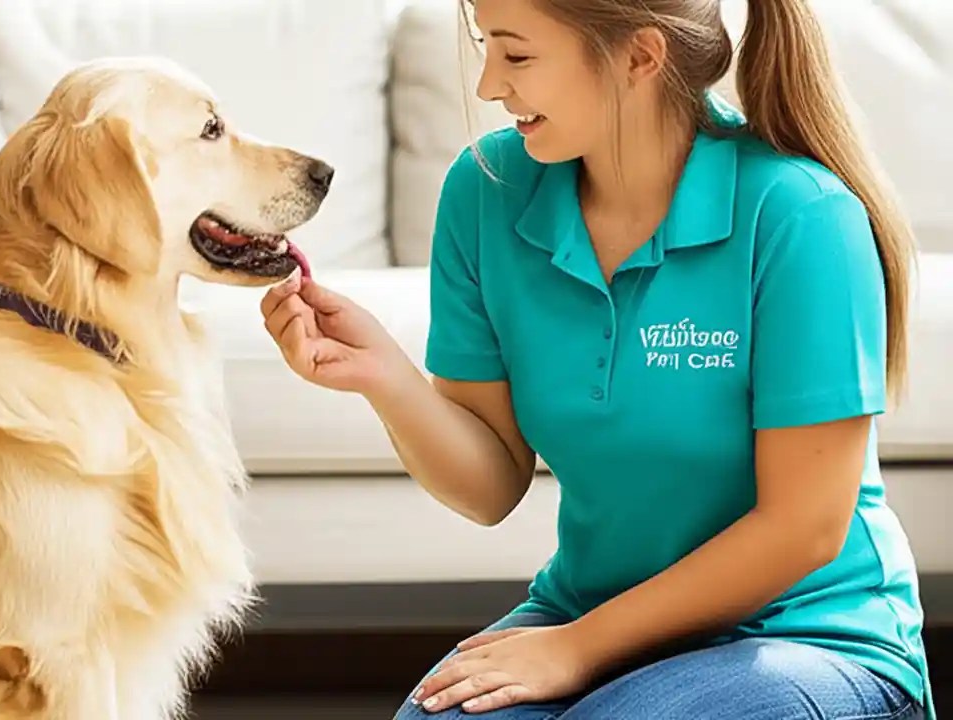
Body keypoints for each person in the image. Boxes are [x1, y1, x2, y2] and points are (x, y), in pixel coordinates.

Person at [259, 0, 936, 718]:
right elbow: (490, 487)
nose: (490, 84)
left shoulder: (799, 215)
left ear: (640, 57)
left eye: (517, 56)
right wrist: (384, 377)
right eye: (485, 47)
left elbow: (804, 527)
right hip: (586, 615)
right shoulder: (485, 192)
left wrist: (577, 649)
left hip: (806, 637)